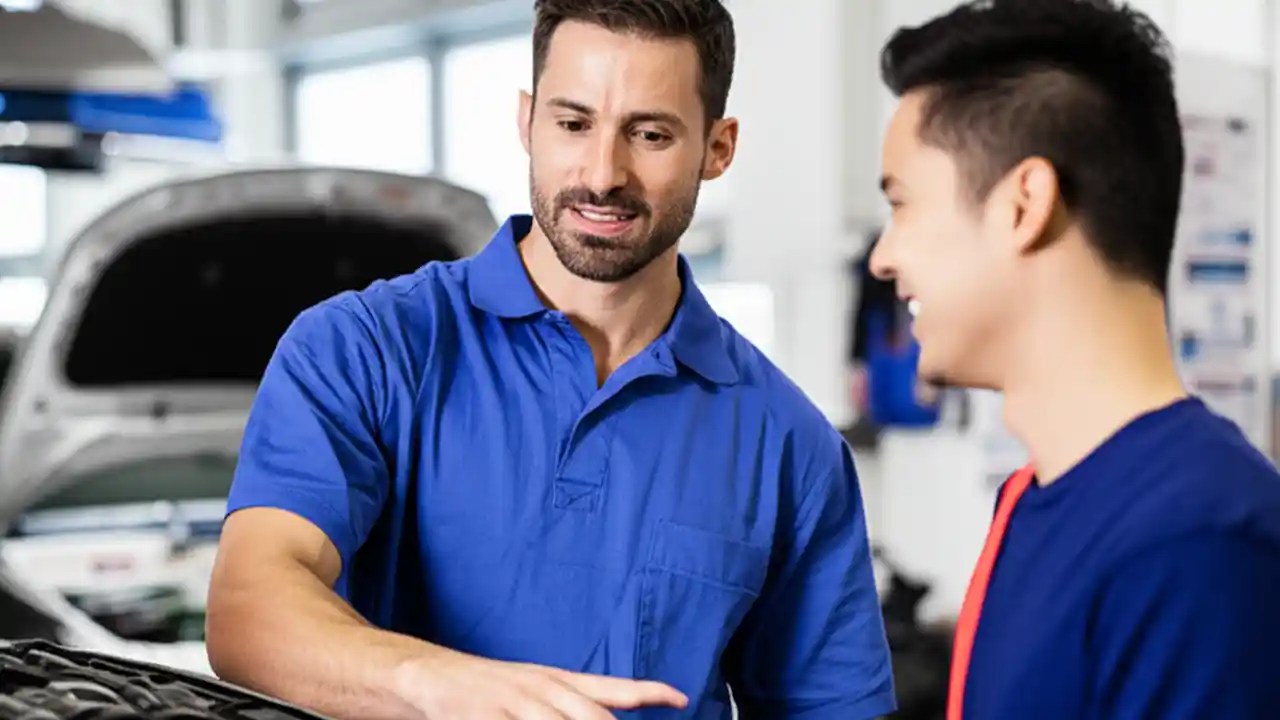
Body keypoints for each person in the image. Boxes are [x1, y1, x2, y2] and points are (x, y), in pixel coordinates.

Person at [206, 1, 896, 718]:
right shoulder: (364, 349)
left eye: (651, 134)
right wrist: (448, 686)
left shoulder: (789, 444)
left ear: (717, 148)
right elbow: (249, 614)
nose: (602, 174)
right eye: (573, 124)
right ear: (526, 121)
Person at [870, 1, 1280, 718]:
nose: (882, 257)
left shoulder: (1200, 543)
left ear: (1024, 203)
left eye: (902, 205)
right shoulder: (1029, 500)